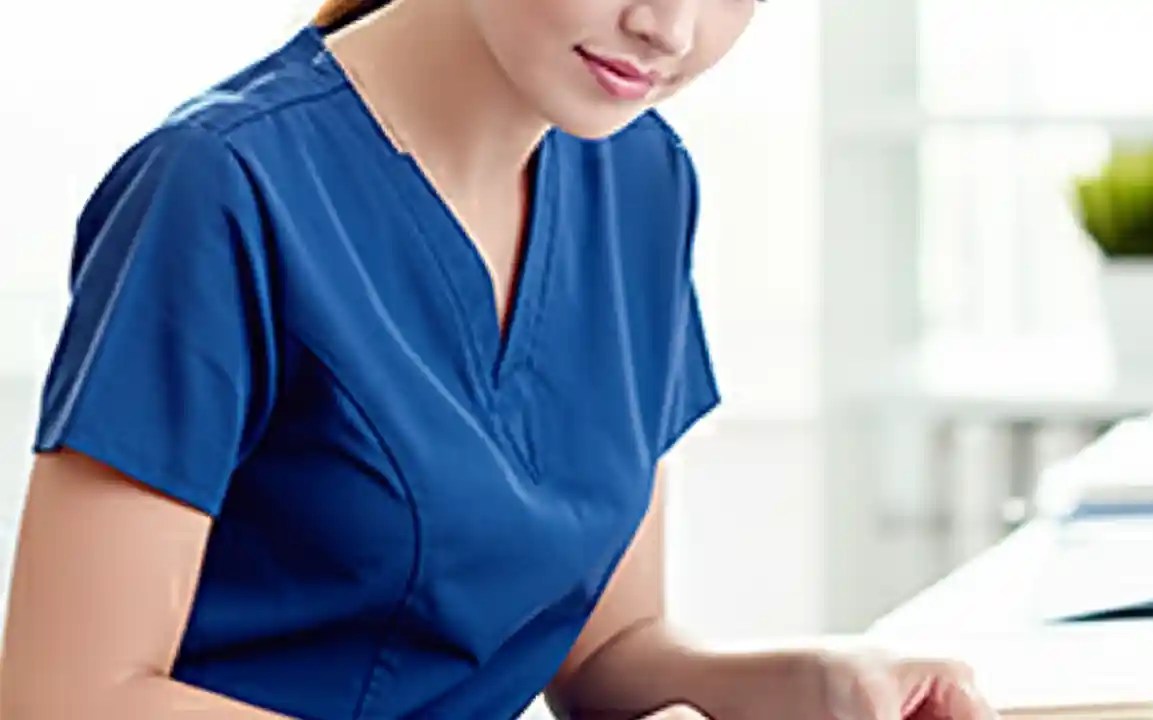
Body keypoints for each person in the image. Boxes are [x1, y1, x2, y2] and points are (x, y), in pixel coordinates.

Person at [0, 0, 998, 718]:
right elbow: (68, 698)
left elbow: (608, 650)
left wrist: (817, 681)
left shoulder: (641, 179)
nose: (671, 27)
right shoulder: (219, 189)